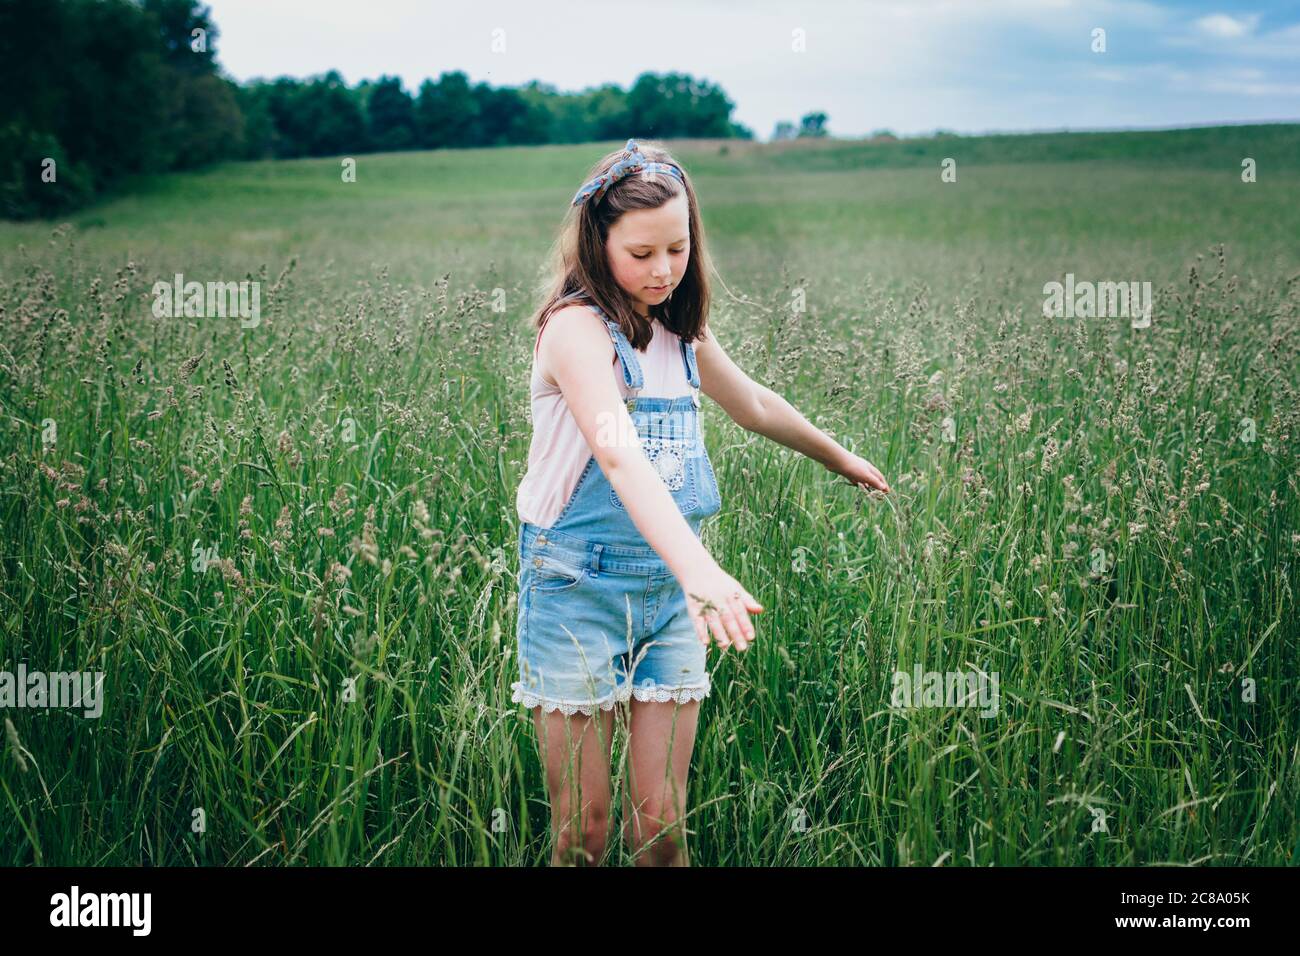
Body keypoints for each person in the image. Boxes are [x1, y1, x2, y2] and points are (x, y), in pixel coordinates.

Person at [514, 138, 890, 866]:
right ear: (599, 244)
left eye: (677, 249)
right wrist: (701, 572)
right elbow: (617, 450)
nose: (662, 270)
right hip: (575, 585)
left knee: (660, 829)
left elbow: (751, 402)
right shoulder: (574, 330)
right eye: (641, 252)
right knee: (582, 834)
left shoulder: (679, 331)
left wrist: (838, 456)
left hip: (669, 596)